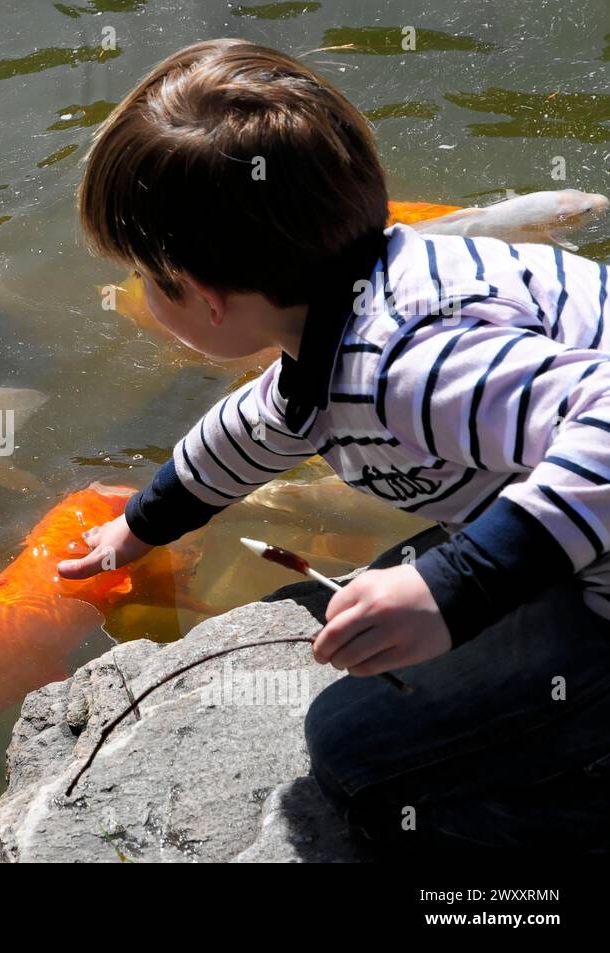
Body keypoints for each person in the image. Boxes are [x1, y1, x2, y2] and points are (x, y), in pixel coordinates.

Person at [56, 38, 610, 852]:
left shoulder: (408, 370)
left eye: (145, 276)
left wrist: (455, 588)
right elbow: (264, 424)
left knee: (356, 752)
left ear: (206, 300)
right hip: (574, 530)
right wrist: (144, 522)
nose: (139, 293)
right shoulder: (370, 287)